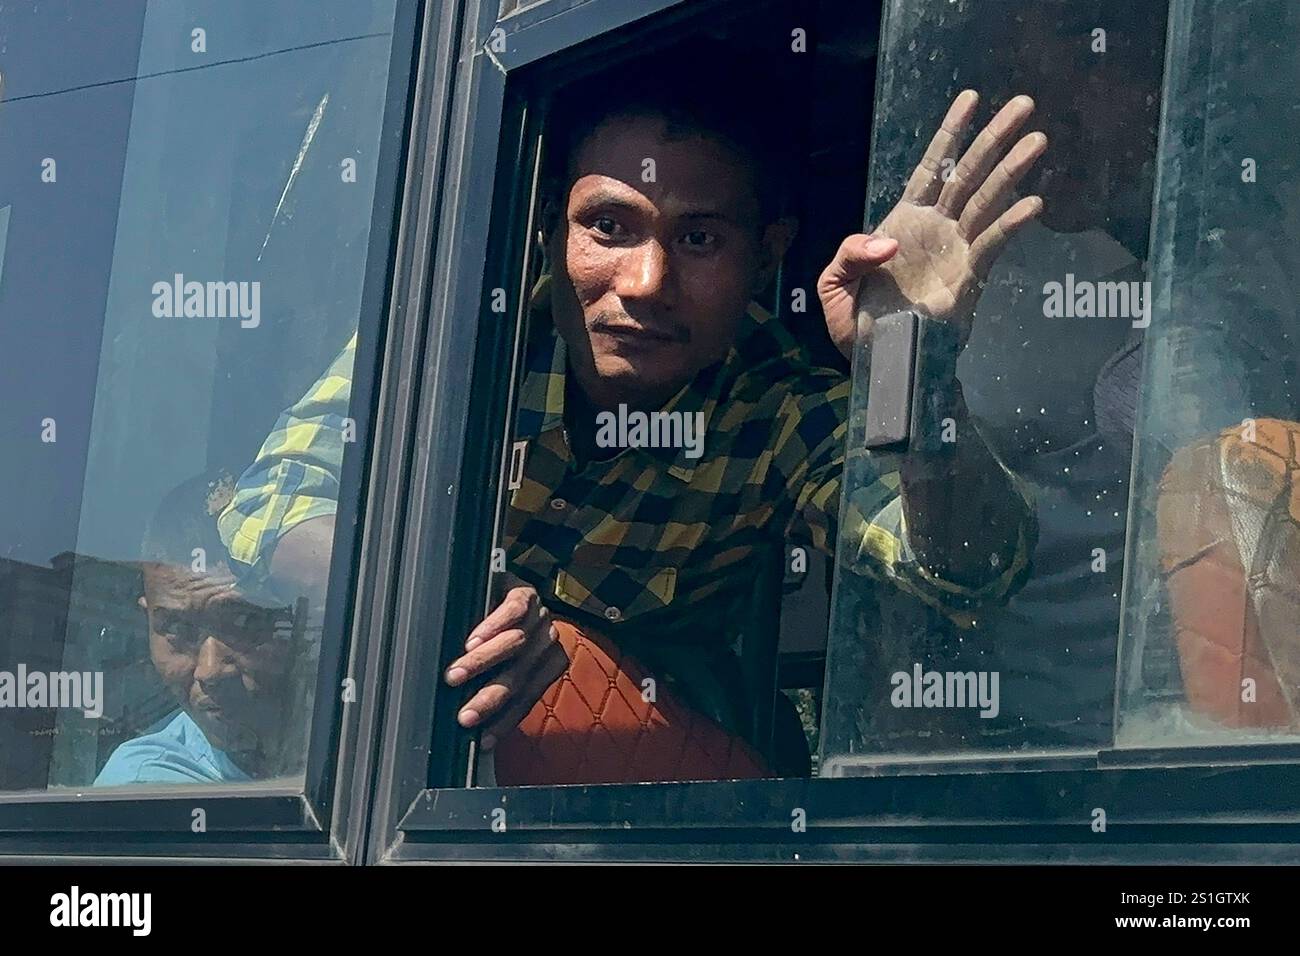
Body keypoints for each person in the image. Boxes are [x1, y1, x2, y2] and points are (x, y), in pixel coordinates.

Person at [217, 44, 1045, 776]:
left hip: (649, 772)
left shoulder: (781, 413)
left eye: (698, 240)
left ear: (767, 259)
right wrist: (464, 599)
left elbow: (969, 568)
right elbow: (275, 501)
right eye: (609, 227)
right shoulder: (454, 343)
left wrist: (914, 364)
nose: (646, 283)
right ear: (548, 234)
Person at [96, 472, 296, 786]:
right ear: (148, 623)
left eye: (245, 623)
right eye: (177, 629)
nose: (210, 670)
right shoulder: (146, 785)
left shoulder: (371, 742)